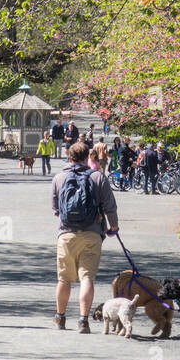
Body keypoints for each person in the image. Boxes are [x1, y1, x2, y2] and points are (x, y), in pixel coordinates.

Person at [51, 140, 118, 333]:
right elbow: (109, 206)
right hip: (92, 233)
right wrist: (113, 227)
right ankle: (83, 321)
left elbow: (56, 208)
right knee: (87, 277)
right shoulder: (98, 177)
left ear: (69, 156)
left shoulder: (59, 177)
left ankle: (60, 317)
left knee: (63, 279)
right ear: (87, 156)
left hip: (66, 234)